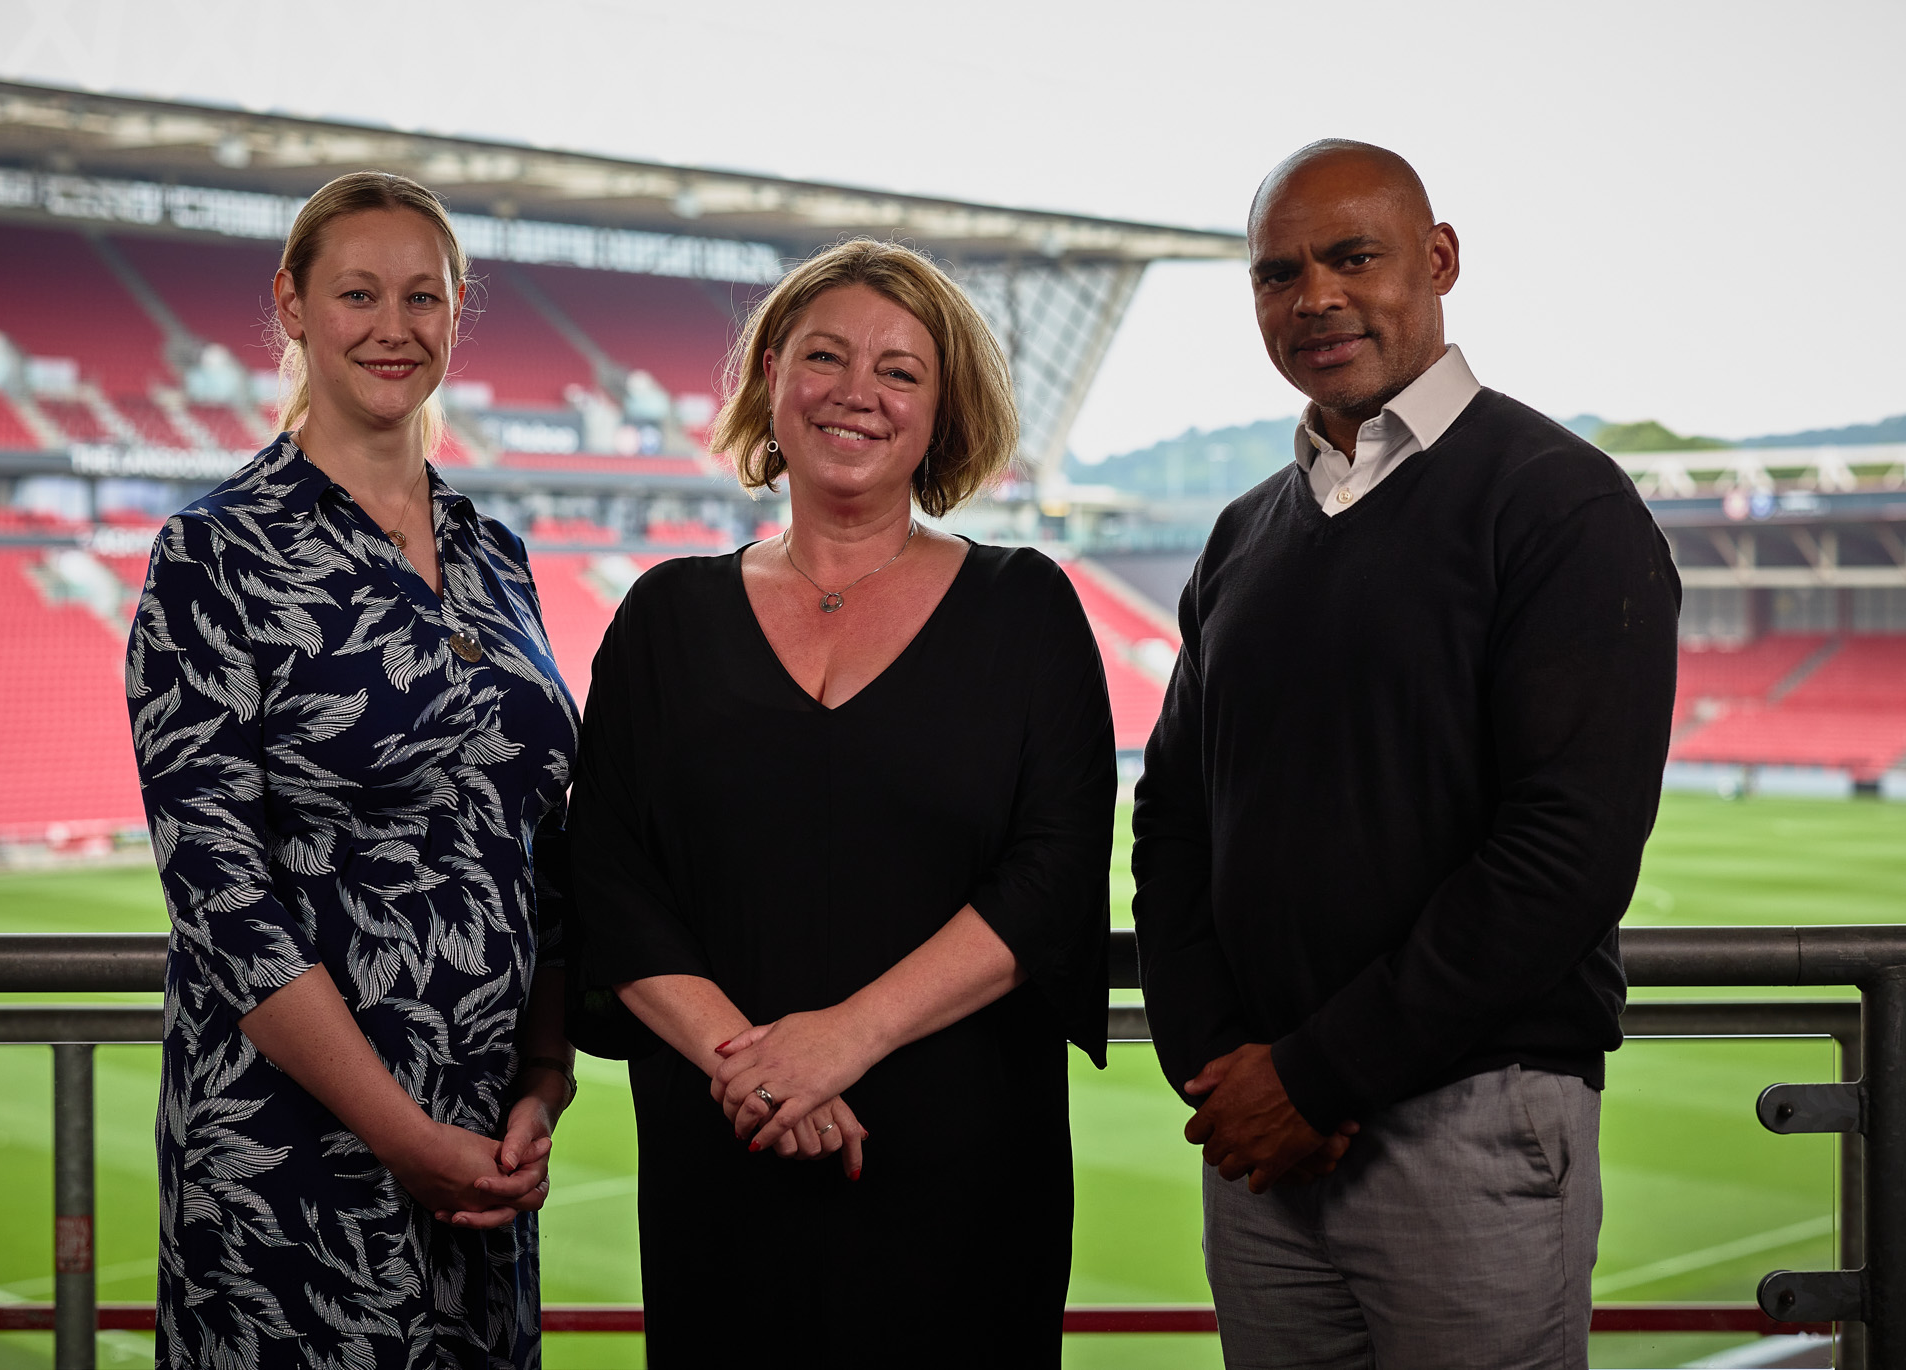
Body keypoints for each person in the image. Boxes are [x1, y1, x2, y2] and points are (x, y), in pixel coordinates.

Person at [1131, 140, 1680, 1369]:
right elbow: (1172, 819)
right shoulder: (1242, 534)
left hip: (1466, 1118)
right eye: (1277, 273)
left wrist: (1316, 1075)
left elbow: (1563, 854)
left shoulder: (1558, 503)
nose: (1313, 296)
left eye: (1351, 255)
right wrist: (1215, 1064)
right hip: (1259, 1133)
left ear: (1436, 260)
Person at [568, 237, 1115, 1364]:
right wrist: (755, 1062)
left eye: (900, 369)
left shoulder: (1025, 607)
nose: (856, 391)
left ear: (941, 408)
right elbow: (607, 875)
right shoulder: (664, 615)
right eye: (824, 355)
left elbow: (1054, 872)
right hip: (723, 1151)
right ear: (771, 376)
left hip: (964, 1166)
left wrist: (839, 1042)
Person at [128, 170, 578, 1370]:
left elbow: (537, 838)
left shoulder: (500, 554)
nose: (394, 326)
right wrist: (399, 1134)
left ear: (457, 310)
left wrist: (542, 1077)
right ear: (291, 305)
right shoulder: (214, 552)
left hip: (483, 1151)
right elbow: (220, 893)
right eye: (357, 293)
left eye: (423, 297)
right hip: (293, 1153)